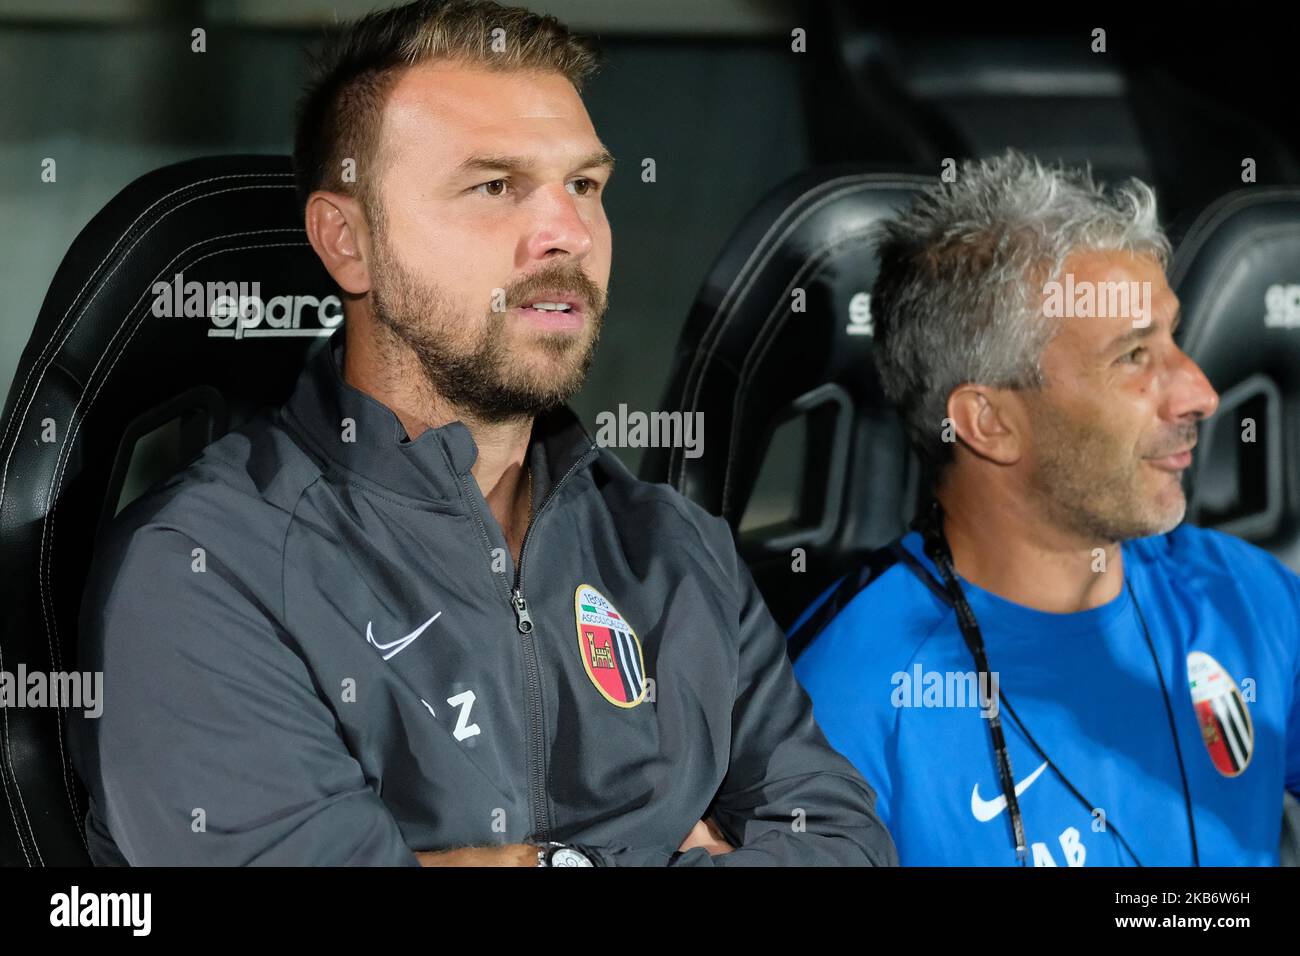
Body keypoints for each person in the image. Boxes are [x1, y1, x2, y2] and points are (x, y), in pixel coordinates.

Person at [68, 0, 895, 867]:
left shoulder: (677, 549)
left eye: (585, 185)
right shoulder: (207, 570)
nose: (568, 234)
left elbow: (845, 847)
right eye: (494, 186)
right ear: (346, 243)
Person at [791, 149, 1300, 866]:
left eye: (1172, 338)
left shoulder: (1243, 597)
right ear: (990, 423)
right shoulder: (848, 706)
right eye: (1133, 356)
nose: (1200, 393)